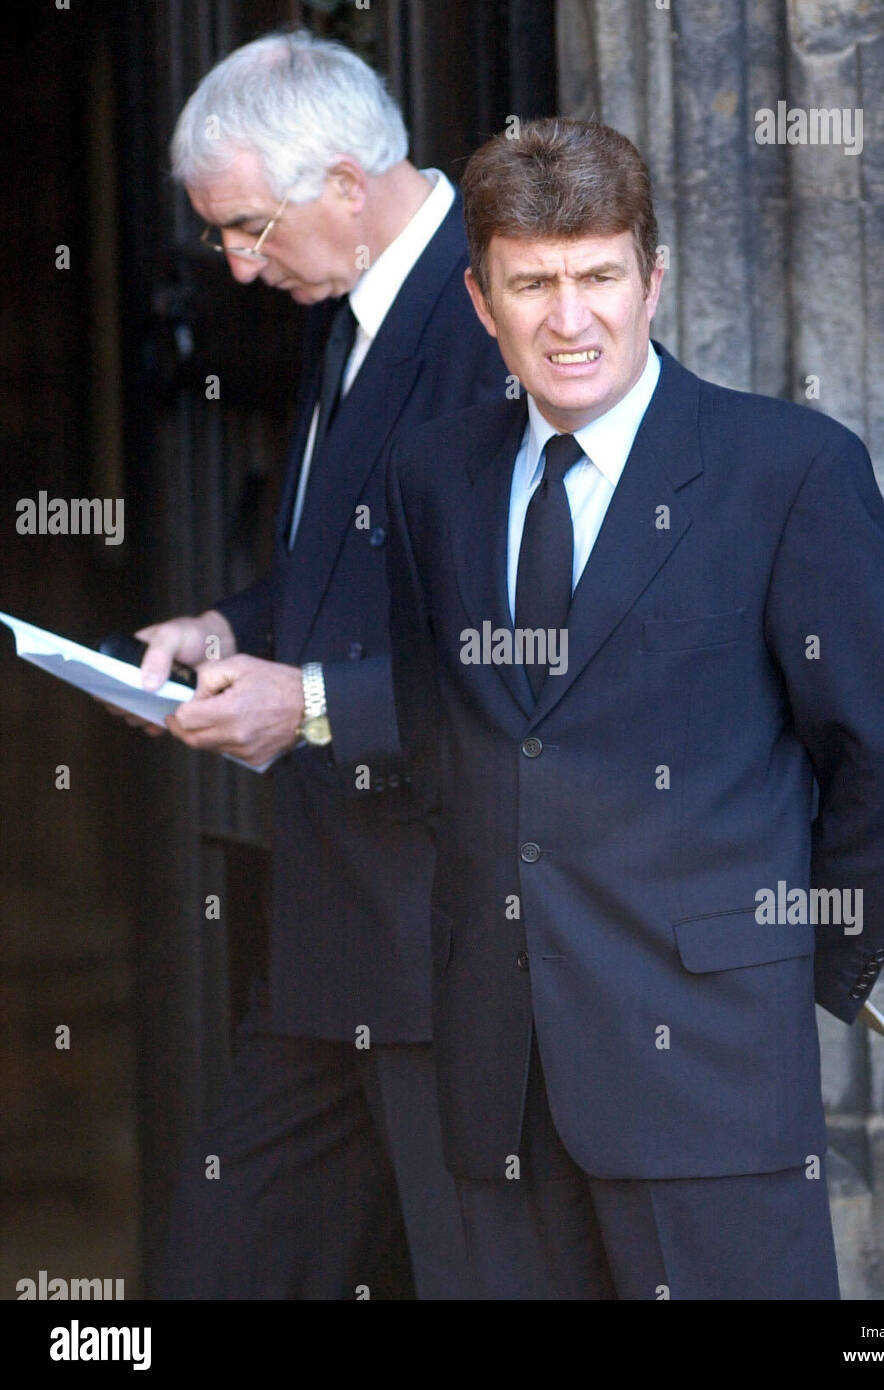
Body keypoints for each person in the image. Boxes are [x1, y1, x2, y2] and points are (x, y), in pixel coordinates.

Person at [385, 117, 884, 1299]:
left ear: (653, 277)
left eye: (597, 274)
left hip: (711, 1072)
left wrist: (780, 963)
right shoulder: (429, 475)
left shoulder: (786, 469)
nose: (568, 316)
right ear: (483, 304)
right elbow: (440, 730)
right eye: (530, 283)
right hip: (498, 1074)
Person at [122, 30, 505, 1298]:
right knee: (221, 1267)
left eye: (246, 226)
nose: (233, 263)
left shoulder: (496, 307)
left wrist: (318, 702)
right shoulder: (350, 304)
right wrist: (228, 628)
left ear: (346, 181)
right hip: (335, 935)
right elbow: (340, 577)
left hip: (453, 936)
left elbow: (541, 649)